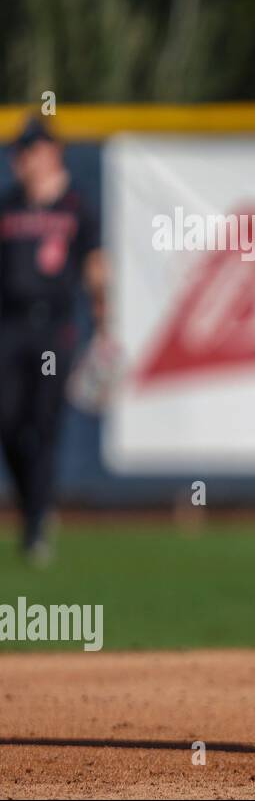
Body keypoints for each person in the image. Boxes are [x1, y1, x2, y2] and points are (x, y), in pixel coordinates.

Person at [0, 117, 106, 566]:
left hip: (53, 329)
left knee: (43, 426)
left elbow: (96, 267)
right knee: (7, 421)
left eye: (35, 150)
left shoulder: (76, 204)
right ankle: (34, 505)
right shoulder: (8, 205)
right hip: (9, 326)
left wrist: (105, 326)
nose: (26, 159)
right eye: (21, 152)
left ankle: (38, 523)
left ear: (54, 152)